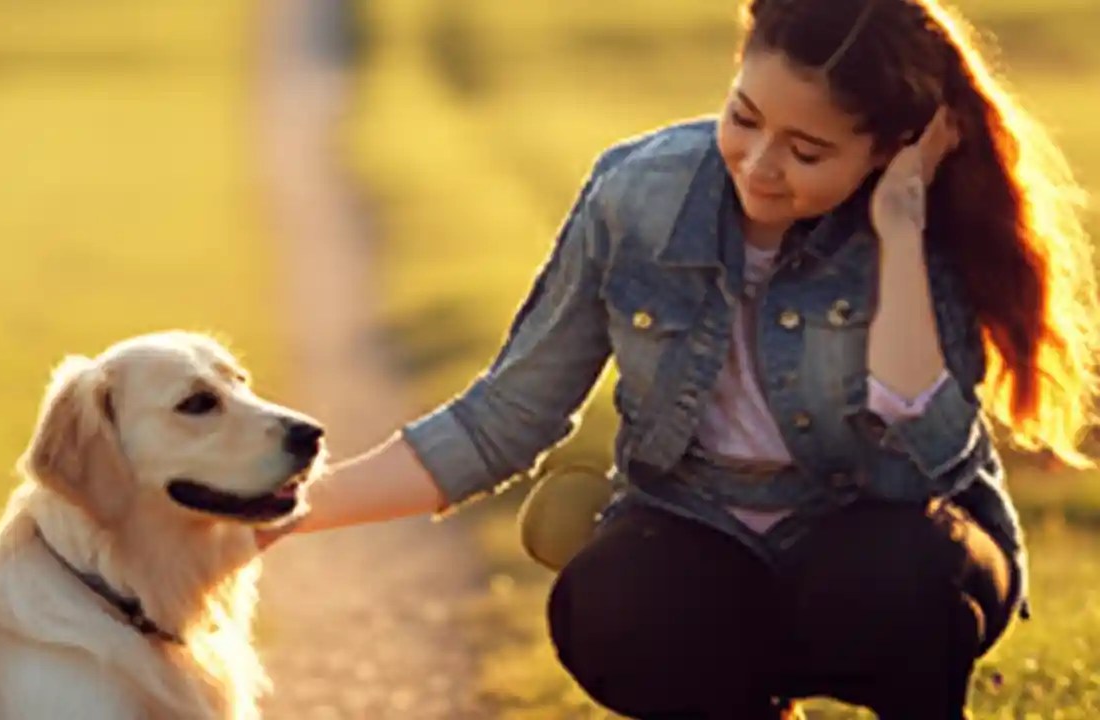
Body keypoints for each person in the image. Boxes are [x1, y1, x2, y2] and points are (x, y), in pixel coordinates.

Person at [264, 0, 1100, 717]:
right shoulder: (639, 195)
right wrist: (287, 509)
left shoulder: (921, 224)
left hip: (877, 540)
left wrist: (902, 233)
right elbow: (502, 420)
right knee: (615, 608)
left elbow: (918, 469)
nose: (762, 167)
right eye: (744, 117)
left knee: (894, 585)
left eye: (807, 152)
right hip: (703, 528)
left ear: (891, 150)